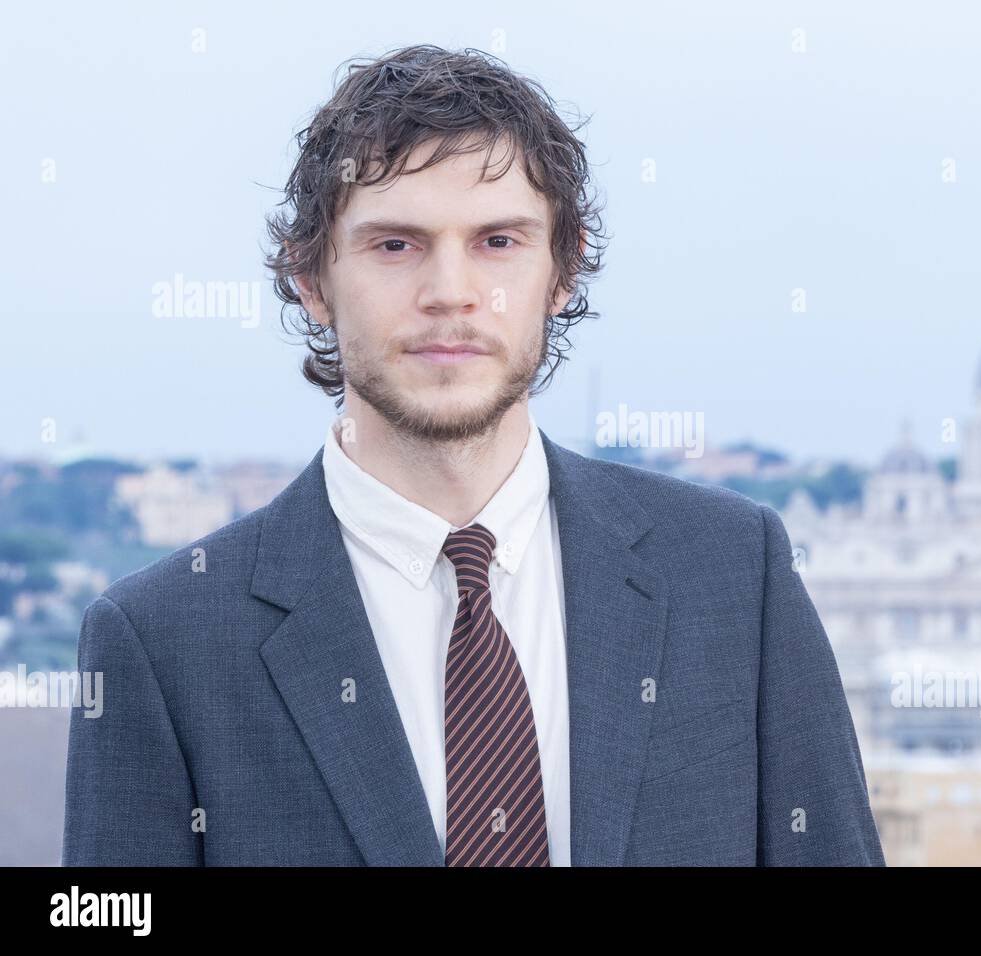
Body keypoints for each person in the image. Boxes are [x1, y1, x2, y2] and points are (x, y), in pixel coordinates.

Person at [62, 44, 885, 867]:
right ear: (311, 278)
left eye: (497, 241)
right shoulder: (162, 646)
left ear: (561, 271)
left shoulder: (734, 577)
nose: (450, 291)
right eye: (395, 245)